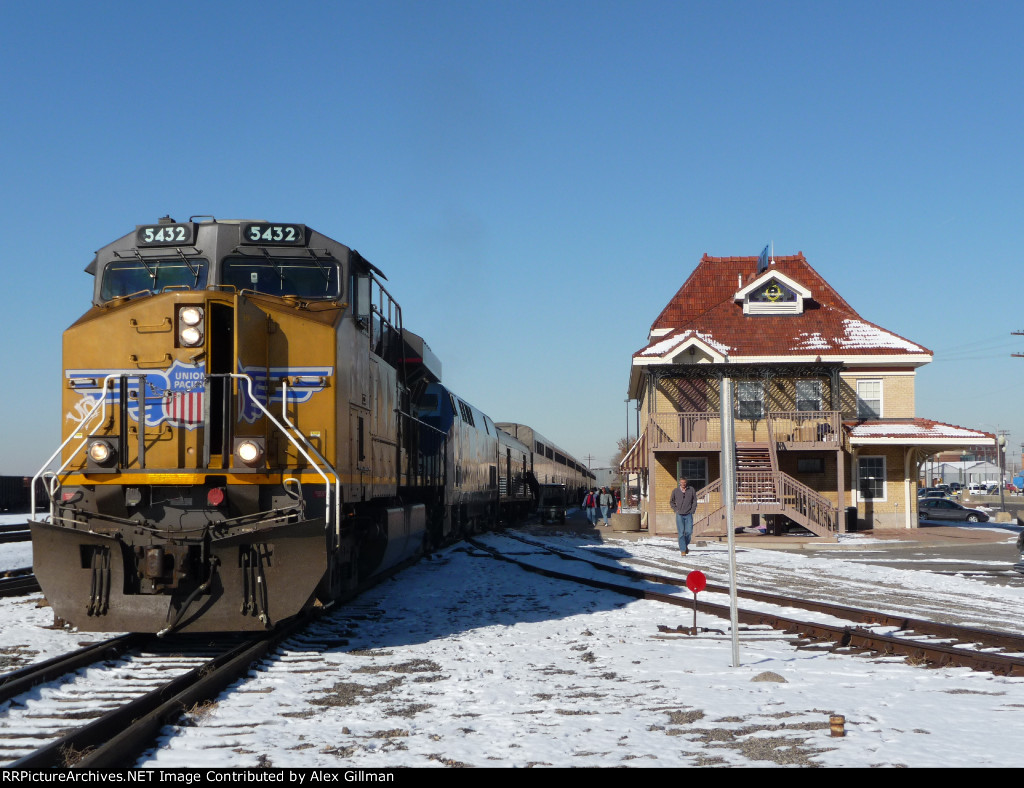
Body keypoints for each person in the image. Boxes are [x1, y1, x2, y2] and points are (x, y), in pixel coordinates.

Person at [669, 477, 697, 555]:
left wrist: (692, 510)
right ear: (679, 483)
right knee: (681, 533)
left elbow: (694, 501)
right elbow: (671, 502)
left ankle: (685, 546)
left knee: (688, 532)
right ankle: (683, 550)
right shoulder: (675, 491)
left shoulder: (691, 490)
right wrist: (676, 510)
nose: (683, 484)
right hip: (679, 514)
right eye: (681, 482)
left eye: (684, 482)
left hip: (688, 514)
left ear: (686, 483)